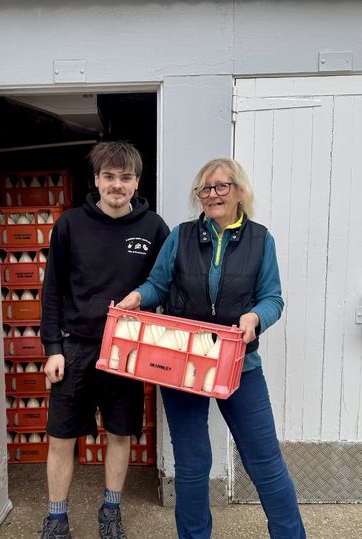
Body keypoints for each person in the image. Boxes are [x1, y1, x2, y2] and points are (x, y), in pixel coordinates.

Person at [116, 158, 306, 538]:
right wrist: (139, 296)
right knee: (192, 462)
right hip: (183, 360)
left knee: (265, 461)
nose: (213, 194)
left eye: (221, 186)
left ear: (238, 191)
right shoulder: (181, 236)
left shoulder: (260, 239)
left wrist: (254, 319)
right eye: (205, 188)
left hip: (239, 363)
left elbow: (272, 298)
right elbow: (159, 285)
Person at [40, 141, 170, 539]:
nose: (117, 185)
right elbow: (52, 290)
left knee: (119, 432)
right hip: (76, 347)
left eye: (125, 177)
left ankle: (111, 510)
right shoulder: (70, 224)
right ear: (96, 180)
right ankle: (57, 518)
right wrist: (52, 349)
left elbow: (165, 286)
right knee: (61, 436)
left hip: (128, 350)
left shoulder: (154, 228)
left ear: (136, 182)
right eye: (109, 177)